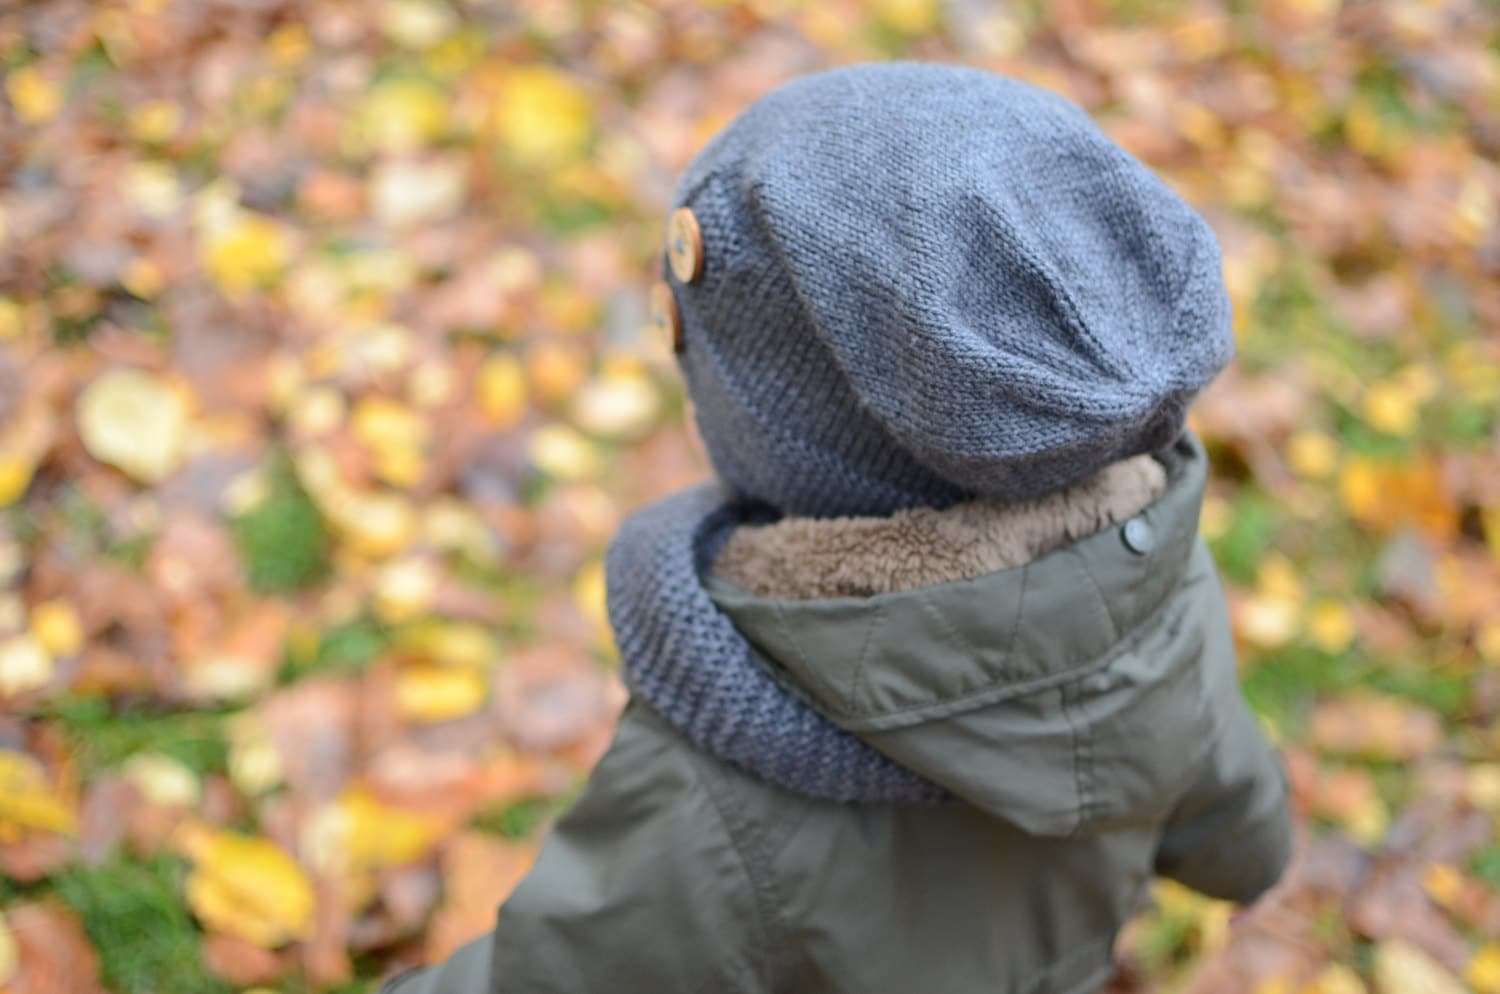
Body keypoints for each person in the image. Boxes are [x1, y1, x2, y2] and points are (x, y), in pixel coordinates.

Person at [383, 61, 1293, 994]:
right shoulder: (1146, 576)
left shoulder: (718, 790)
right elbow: (1233, 818)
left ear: (794, 427)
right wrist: (1247, 850)